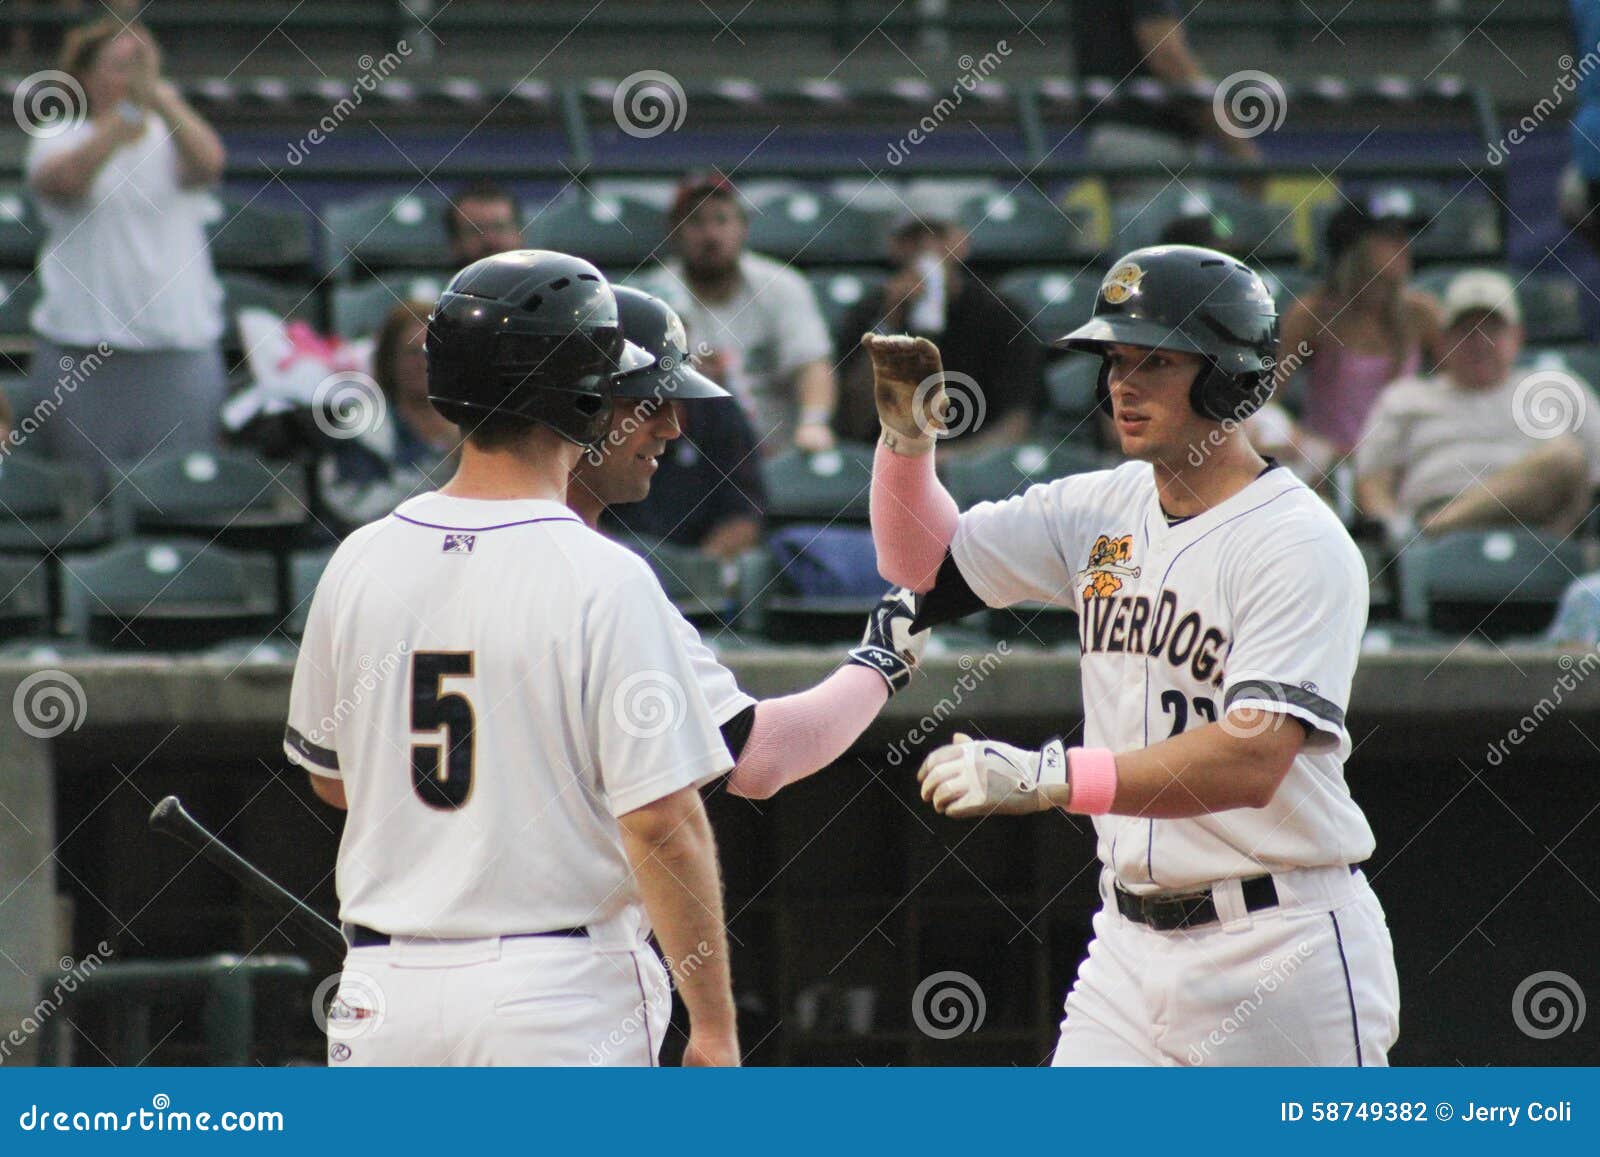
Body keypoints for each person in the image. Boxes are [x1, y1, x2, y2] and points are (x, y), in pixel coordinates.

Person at [863, 245, 1400, 1066]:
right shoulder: (1100, 505)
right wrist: (906, 441)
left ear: (1228, 377)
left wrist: (1057, 776)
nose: (1123, 382)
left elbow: (1253, 757)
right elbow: (923, 566)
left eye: (1156, 360)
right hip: (1126, 942)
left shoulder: (1300, 542)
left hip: (1279, 945)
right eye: (1115, 359)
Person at [284, 251, 738, 1067]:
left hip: (384, 990)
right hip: (557, 993)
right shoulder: (604, 574)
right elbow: (662, 820)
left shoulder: (359, 556)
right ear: (585, 396)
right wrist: (713, 1026)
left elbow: (331, 780)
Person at [567, 286, 931, 801]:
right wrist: (882, 659)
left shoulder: (416, 535)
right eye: (648, 405)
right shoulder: (607, 580)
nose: (670, 427)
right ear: (582, 405)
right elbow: (760, 757)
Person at [25, 19, 227, 493]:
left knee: (179, 495)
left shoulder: (171, 131)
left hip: (176, 346)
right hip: (82, 348)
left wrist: (159, 100)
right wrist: (123, 123)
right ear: (87, 75)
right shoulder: (59, 133)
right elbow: (65, 183)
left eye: (142, 66)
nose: (134, 77)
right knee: (87, 497)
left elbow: (208, 163)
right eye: (120, 67)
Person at [1354, 269, 1600, 545]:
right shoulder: (1405, 397)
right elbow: (1372, 480)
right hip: (1434, 536)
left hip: (1538, 533)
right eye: (1466, 330)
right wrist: (1391, 529)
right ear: (1444, 339)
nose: (1480, 341)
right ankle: (1430, 531)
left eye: (1492, 328)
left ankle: (1434, 526)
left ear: (1517, 336)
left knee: (1566, 457)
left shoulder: (1556, 388)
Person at [835, 194, 1044, 455]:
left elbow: (1018, 419)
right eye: (913, 238)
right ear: (894, 247)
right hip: (888, 462)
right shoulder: (870, 312)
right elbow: (853, 419)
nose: (926, 247)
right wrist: (889, 326)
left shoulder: (1001, 313)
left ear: (961, 243)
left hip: (975, 464)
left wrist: (953, 461)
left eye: (938, 235)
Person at [644, 172, 837, 453]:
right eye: (696, 222)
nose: (711, 235)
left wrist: (813, 423)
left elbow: (812, 363)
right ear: (675, 232)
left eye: (721, 220)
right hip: (687, 453)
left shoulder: (781, 283)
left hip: (775, 452)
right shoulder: (656, 294)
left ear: (743, 228)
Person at [1269, 194, 1442, 469]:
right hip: (1329, 466)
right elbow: (1265, 401)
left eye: (1406, 236)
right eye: (1390, 237)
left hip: (1398, 466)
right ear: (1354, 248)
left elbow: (1456, 390)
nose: (1404, 247)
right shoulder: (1313, 315)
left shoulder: (1421, 314)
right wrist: (1299, 440)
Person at [595, 292, 765, 559]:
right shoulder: (580, 432)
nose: (670, 428)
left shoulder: (717, 409)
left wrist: (694, 574)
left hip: (693, 570)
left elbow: (743, 513)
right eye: (643, 403)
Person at [1071, 1, 1263, 200]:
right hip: (1150, 144)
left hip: (1130, 137)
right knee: (1172, 228)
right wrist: (1238, 146)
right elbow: (1167, 57)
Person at [317, 300, 461, 532]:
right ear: (390, 360)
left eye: (434, 351)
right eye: (413, 353)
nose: (424, 363)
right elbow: (354, 508)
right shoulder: (361, 429)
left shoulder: (474, 426)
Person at [446, 180, 524, 266]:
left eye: (499, 228)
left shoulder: (540, 278)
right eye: (474, 231)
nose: (490, 240)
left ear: (519, 233)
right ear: (455, 242)